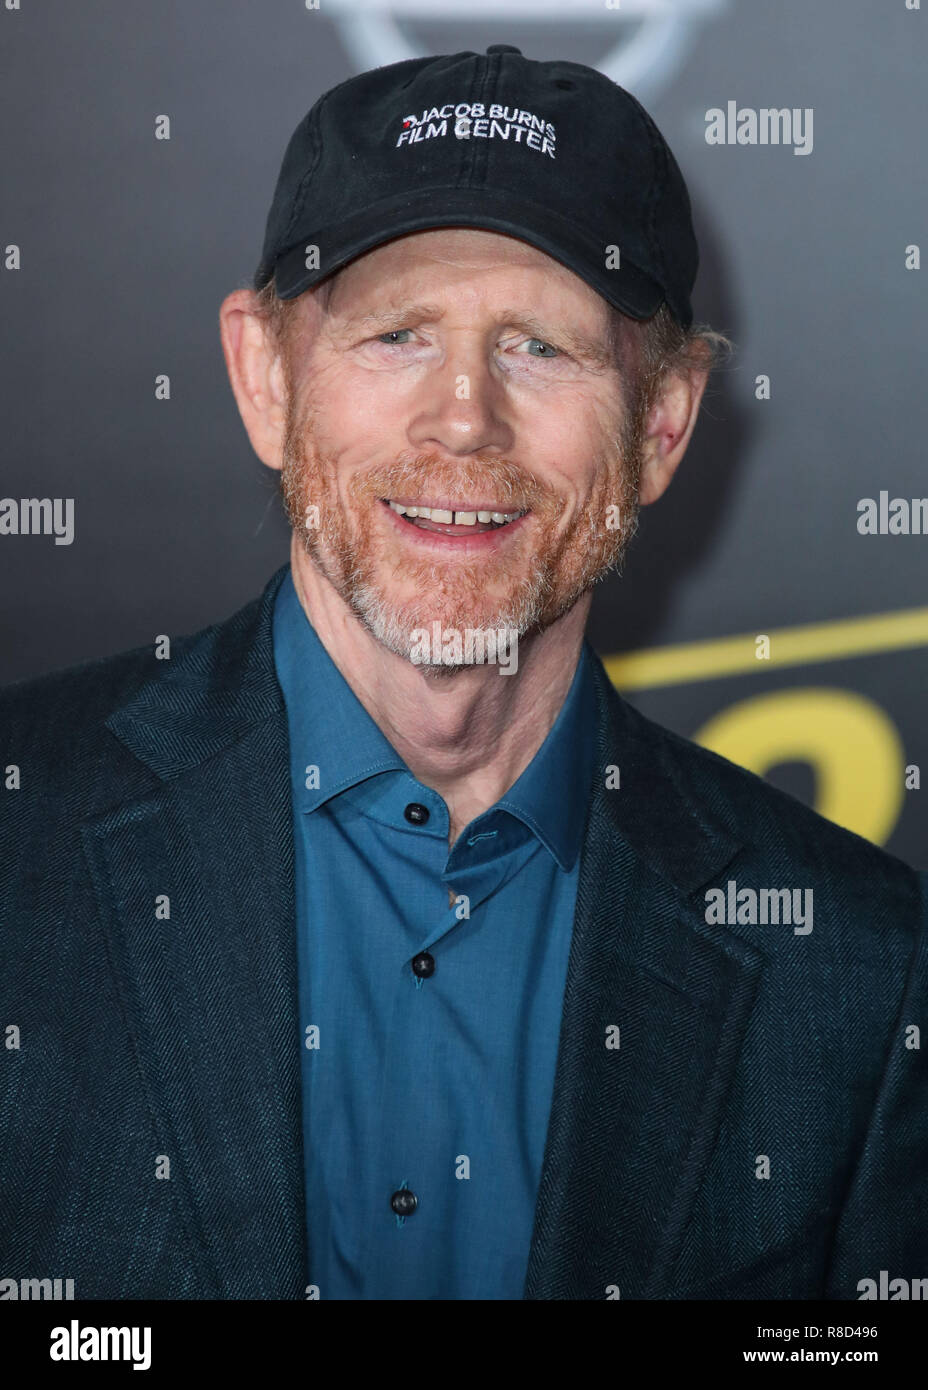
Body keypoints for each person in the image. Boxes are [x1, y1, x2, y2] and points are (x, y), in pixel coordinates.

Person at [1, 46, 926, 1302]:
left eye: (541, 347)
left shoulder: (862, 972)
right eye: (394, 334)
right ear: (265, 378)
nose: (462, 419)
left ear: (662, 423)